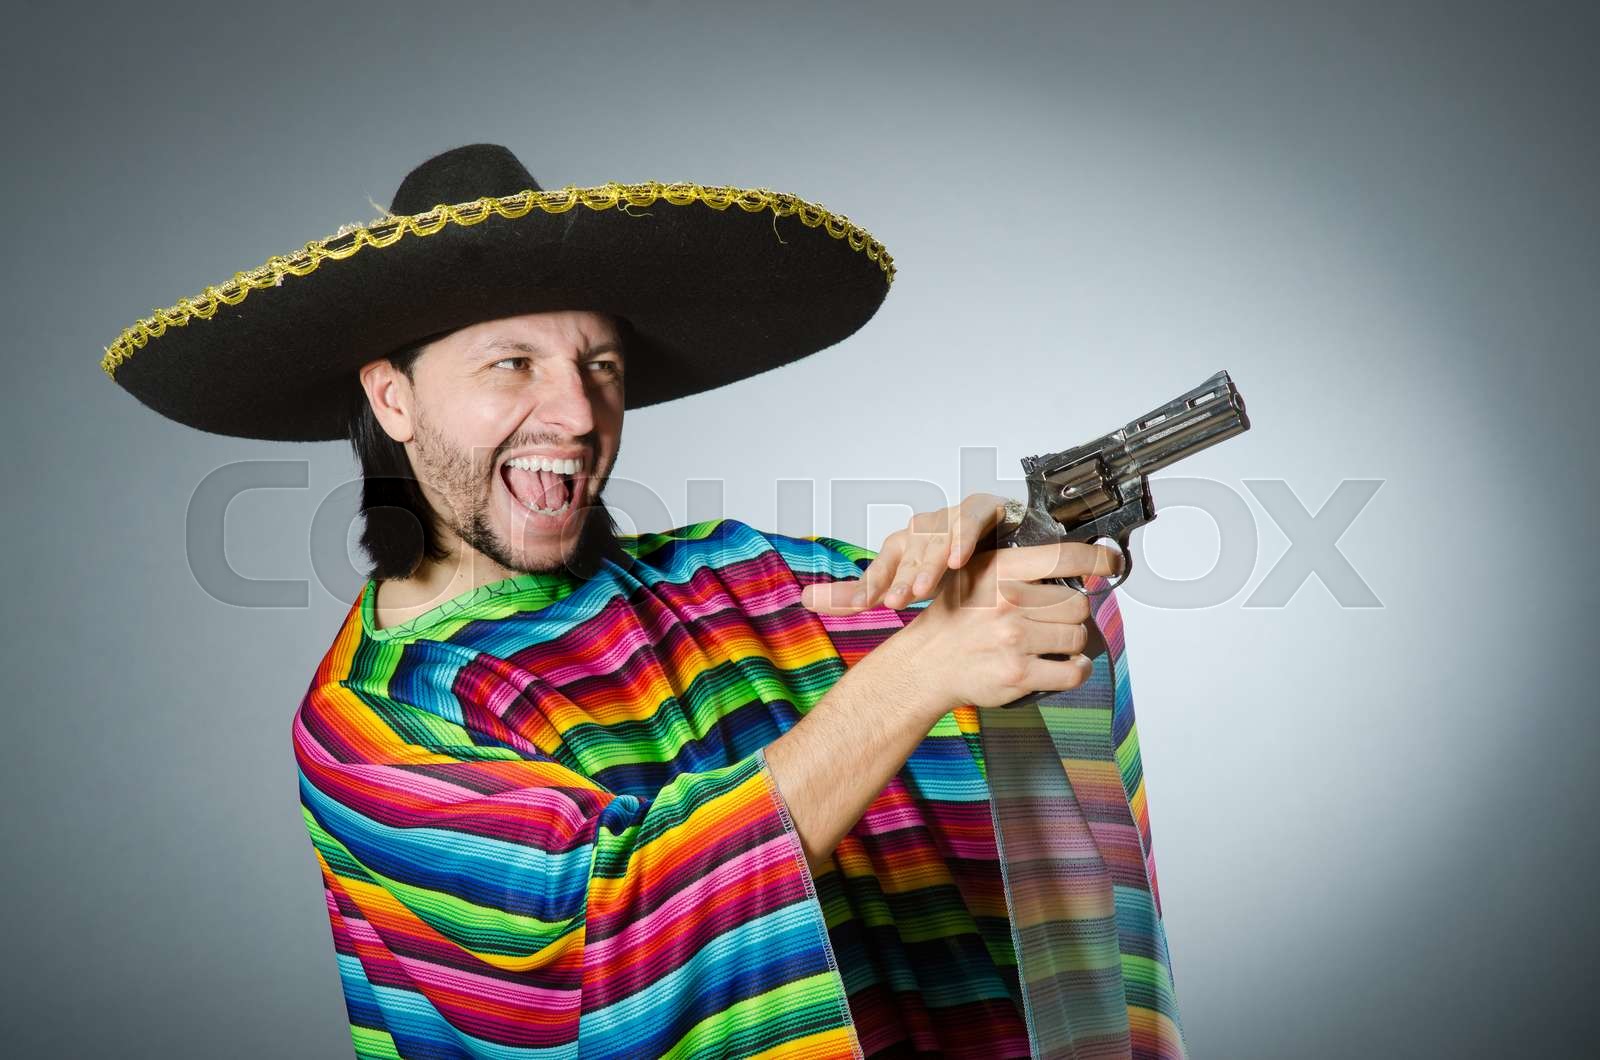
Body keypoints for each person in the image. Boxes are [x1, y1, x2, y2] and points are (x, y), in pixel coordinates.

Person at [99, 143, 1185, 1058]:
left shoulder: (729, 576)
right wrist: (918, 667)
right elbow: (609, 941)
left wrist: (1011, 571)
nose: (576, 412)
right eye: (512, 364)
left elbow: (976, 658)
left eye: (602, 365)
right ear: (392, 396)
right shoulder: (375, 723)